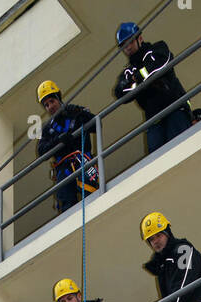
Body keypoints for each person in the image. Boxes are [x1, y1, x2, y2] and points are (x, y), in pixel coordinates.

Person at [113, 22, 192, 153]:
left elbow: (161, 63)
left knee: (182, 150)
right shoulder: (128, 71)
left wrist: (137, 78)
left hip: (175, 108)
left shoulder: (157, 49)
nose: (127, 47)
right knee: (158, 160)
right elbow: (120, 93)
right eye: (123, 45)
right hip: (154, 121)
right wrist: (141, 78)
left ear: (140, 38)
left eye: (130, 42)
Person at [36, 80, 98, 215]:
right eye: (46, 105)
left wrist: (81, 113)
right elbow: (41, 151)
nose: (50, 107)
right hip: (63, 170)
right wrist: (57, 141)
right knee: (67, 209)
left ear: (59, 98)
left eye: (52, 101)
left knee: (94, 200)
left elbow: (96, 125)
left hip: (84, 162)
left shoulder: (75, 112)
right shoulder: (48, 128)